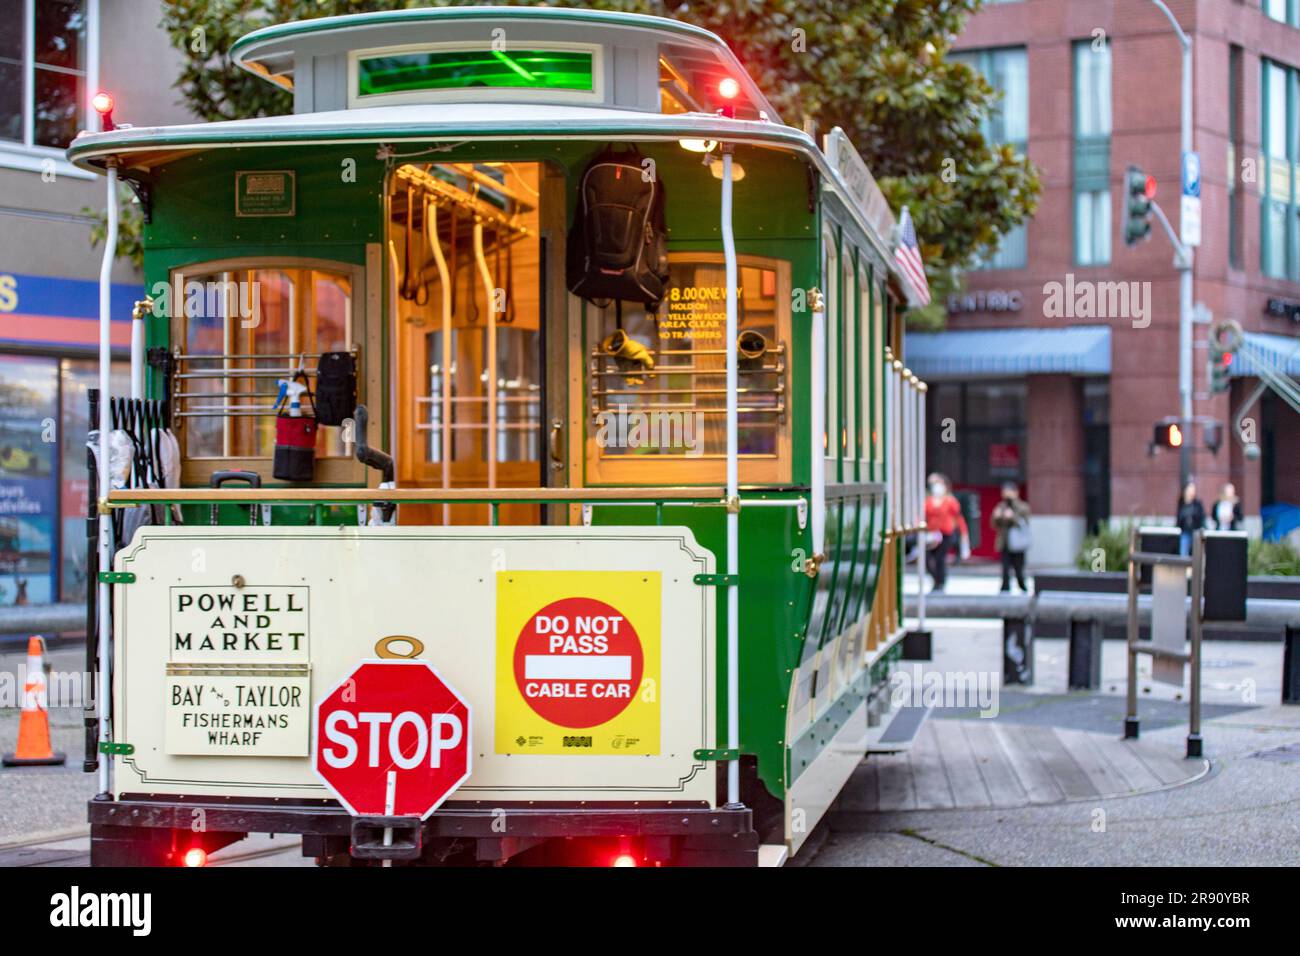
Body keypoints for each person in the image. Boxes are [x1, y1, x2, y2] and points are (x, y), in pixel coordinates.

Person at [924, 473, 968, 592]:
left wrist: (964, 534)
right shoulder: (928, 500)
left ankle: (940, 582)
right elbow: (924, 516)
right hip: (931, 534)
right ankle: (936, 579)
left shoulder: (950, 501)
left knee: (940, 559)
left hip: (945, 534)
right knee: (926, 559)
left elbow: (958, 518)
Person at [990, 482, 1032, 592]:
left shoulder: (1023, 507)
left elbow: (1025, 524)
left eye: (1009, 492)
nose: (1006, 495)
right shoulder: (1001, 506)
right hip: (1004, 542)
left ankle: (1022, 585)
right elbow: (993, 524)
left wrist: (1012, 517)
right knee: (1005, 568)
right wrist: (997, 517)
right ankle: (1005, 587)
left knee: (1019, 568)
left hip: (1018, 543)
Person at [1175, 481, 1206, 555]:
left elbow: (1201, 517)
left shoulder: (1197, 503)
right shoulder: (1181, 502)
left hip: (1195, 531)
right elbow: (1179, 517)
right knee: (1183, 551)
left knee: (1196, 552)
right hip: (1185, 530)